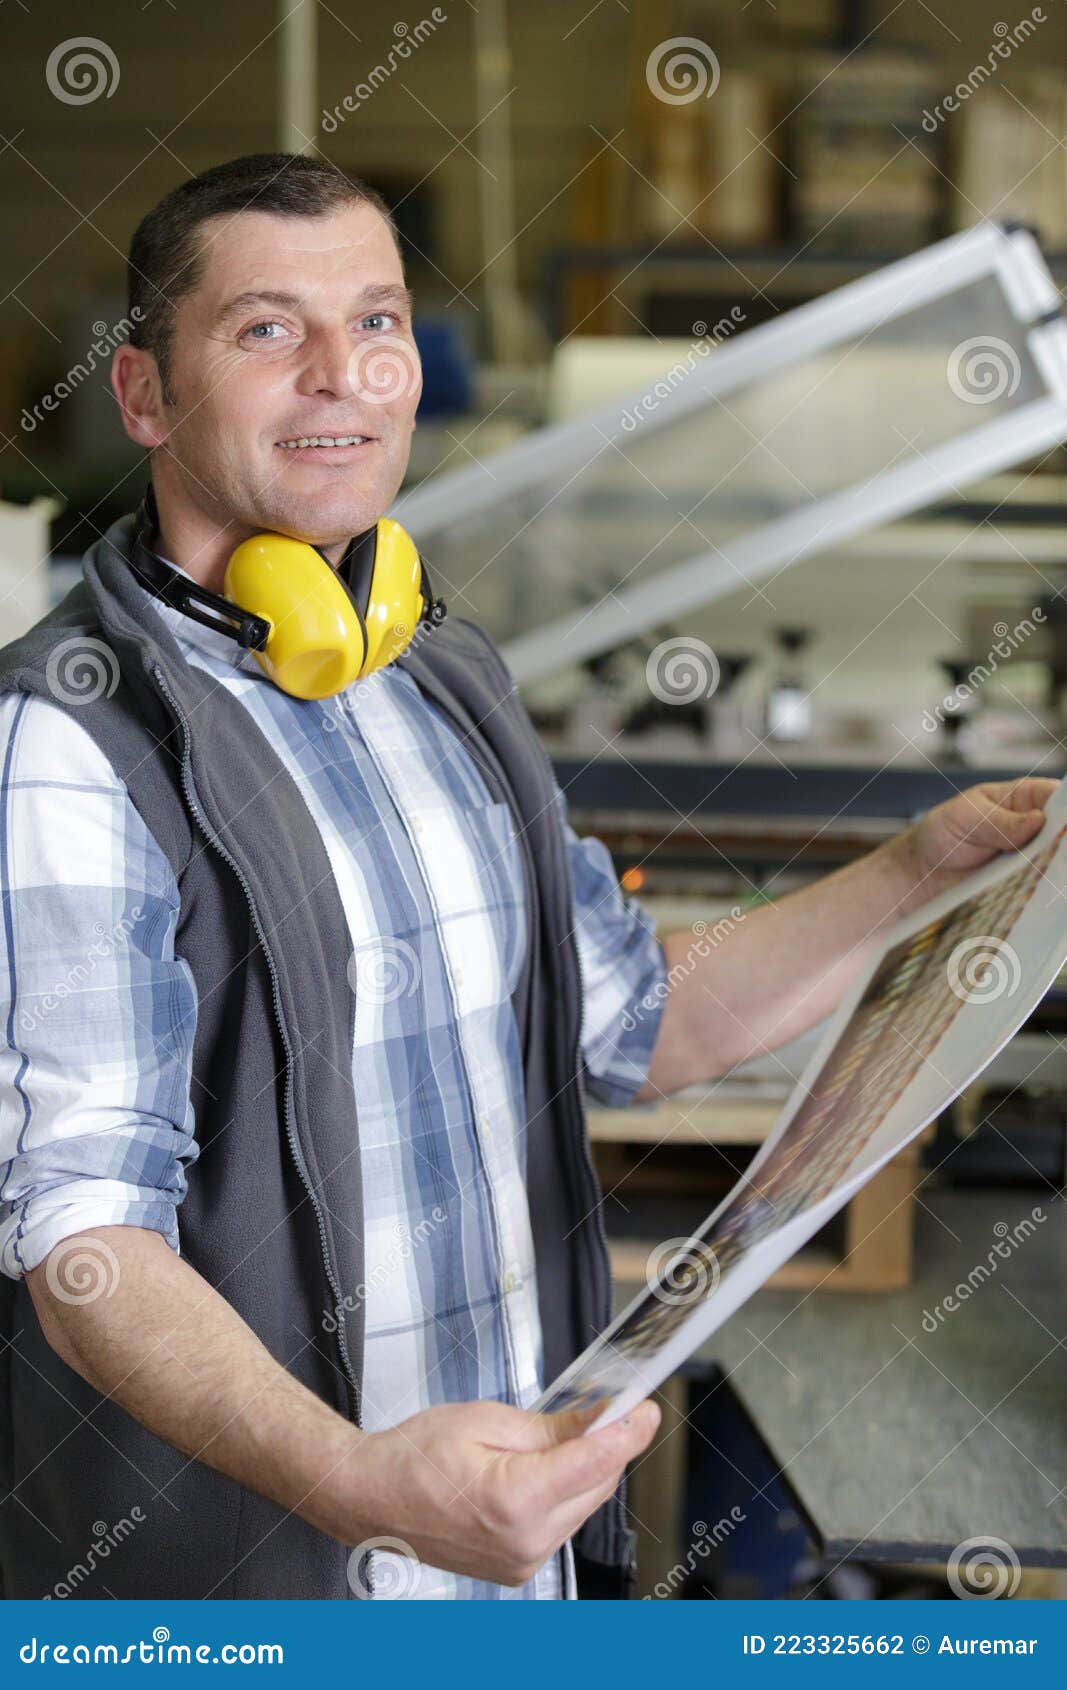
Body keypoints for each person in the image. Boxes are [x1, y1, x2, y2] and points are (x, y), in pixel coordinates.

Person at [0, 152, 1056, 1603]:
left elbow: (635, 1016)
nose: (342, 377)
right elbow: (85, 1239)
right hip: (277, 1573)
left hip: (506, 1542)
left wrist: (916, 869)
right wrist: (359, 1481)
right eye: (265, 331)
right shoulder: (71, 735)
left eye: (375, 324)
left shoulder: (442, 671)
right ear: (141, 394)